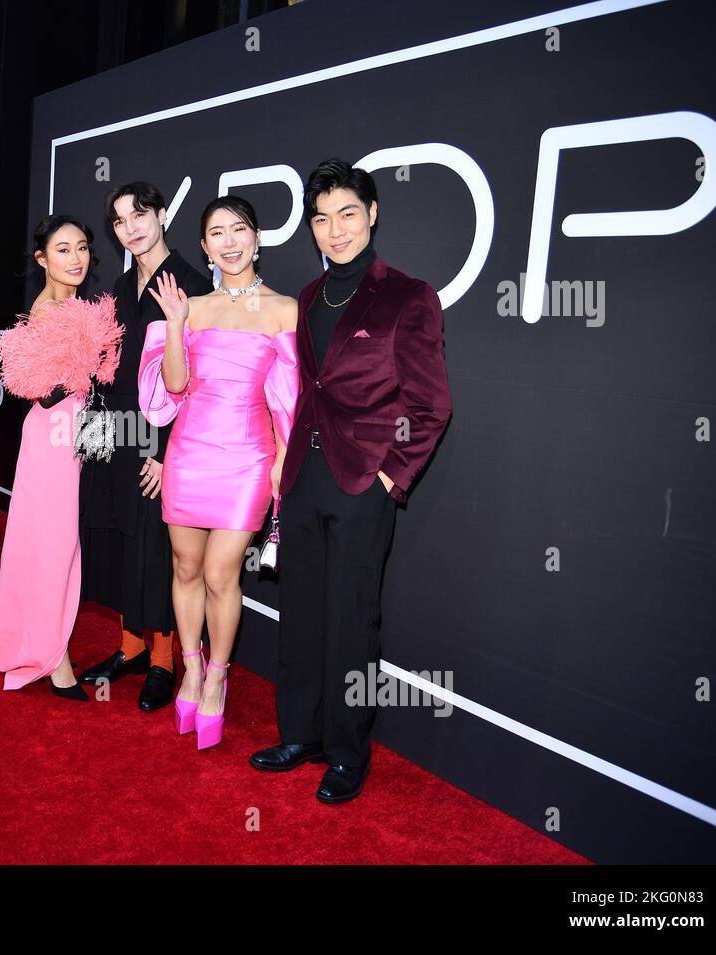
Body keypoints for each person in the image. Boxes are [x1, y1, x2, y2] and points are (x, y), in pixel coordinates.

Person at [249, 159, 452, 803]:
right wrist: (286, 463)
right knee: (302, 614)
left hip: (365, 481)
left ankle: (347, 752)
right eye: (321, 218)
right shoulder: (309, 297)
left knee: (351, 622)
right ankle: (301, 734)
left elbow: (432, 405)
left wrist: (393, 477)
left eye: (347, 215)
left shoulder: (408, 296)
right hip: (306, 476)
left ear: (372, 215)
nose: (335, 230)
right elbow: (309, 391)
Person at [141, 196, 298, 749]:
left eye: (239, 230)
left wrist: (281, 461)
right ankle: (189, 664)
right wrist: (177, 323)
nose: (229, 242)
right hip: (190, 452)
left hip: (249, 457)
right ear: (204, 246)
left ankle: (217, 677)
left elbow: (290, 400)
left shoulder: (285, 310)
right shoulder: (193, 307)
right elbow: (177, 387)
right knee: (184, 566)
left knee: (218, 572)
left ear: (257, 238)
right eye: (217, 233)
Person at [78, 182, 213, 711]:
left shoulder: (191, 284)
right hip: (110, 432)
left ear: (161, 215)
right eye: (118, 221)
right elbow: (107, 368)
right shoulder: (116, 283)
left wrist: (168, 451)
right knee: (116, 536)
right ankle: (129, 648)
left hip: (157, 438)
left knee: (155, 549)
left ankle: (163, 661)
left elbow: (197, 381)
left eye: (139, 215)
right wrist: (91, 441)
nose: (130, 228)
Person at [0, 215, 101, 701]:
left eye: (82, 248)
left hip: (66, 435)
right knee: (54, 547)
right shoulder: (53, 311)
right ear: (42, 259)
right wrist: (87, 368)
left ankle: (39, 643)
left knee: (50, 544)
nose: (75, 258)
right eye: (63, 249)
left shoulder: (73, 306)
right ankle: (57, 662)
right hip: (53, 438)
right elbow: (44, 391)